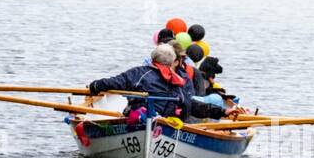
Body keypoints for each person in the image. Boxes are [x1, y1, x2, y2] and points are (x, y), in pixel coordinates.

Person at [87, 44, 232, 122]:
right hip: (148, 120)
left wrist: (95, 86)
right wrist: (222, 112)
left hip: (159, 123)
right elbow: (192, 105)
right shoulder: (177, 80)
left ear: (153, 58)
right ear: (172, 62)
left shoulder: (139, 72)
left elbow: (115, 82)